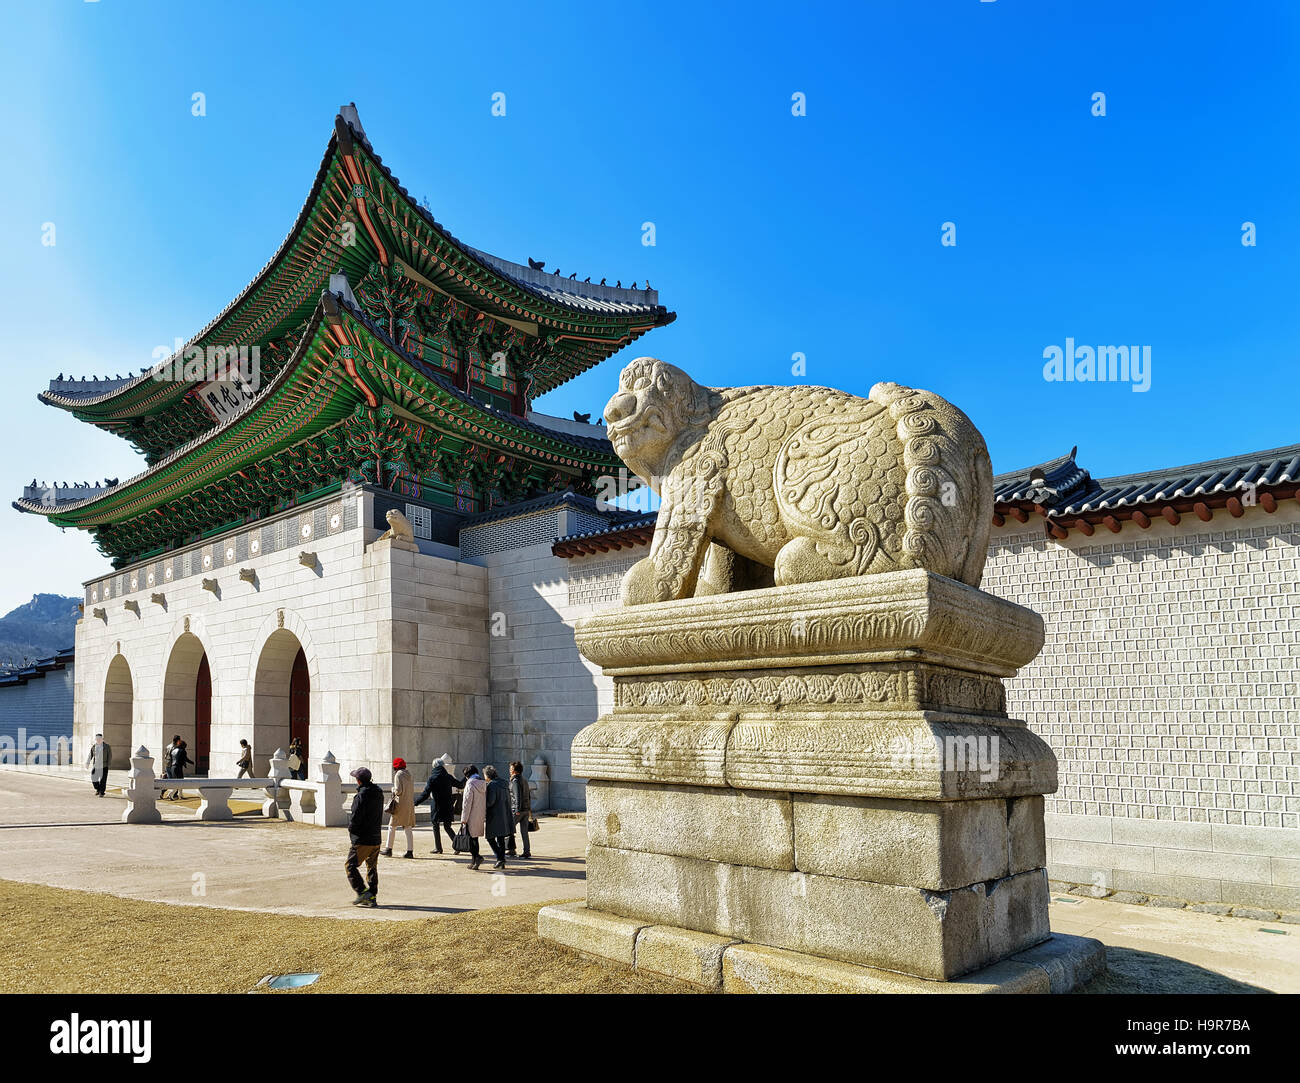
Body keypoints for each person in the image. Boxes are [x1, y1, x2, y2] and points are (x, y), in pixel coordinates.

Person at [345, 766, 383, 907]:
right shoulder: (378, 793)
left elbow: (355, 818)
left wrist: (352, 831)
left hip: (363, 838)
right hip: (376, 837)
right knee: (372, 867)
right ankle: (372, 895)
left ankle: (362, 892)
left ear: (359, 781)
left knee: (350, 866)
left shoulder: (361, 796)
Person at [413, 753, 461, 854]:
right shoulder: (448, 777)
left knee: (436, 826)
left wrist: (415, 803)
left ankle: (438, 848)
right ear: (443, 766)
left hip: (437, 806)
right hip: (448, 805)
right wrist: (467, 776)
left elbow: (425, 794)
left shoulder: (432, 778)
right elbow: (460, 785)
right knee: (448, 827)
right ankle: (457, 846)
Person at [380, 757, 415, 858]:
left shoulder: (398, 775)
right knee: (407, 827)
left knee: (392, 826)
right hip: (409, 804)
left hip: (400, 805)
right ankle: (410, 851)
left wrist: (392, 789)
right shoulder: (409, 774)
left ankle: (388, 849)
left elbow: (398, 791)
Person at [483, 765, 512, 870]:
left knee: (490, 838)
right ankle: (501, 860)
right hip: (504, 814)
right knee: (501, 839)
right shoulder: (504, 783)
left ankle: (500, 858)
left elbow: (490, 802)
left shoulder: (492, 785)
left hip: (494, 815)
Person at [458, 765, 486, 870]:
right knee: (475, 839)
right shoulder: (483, 783)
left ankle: (477, 858)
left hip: (470, 815)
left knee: (470, 840)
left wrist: (463, 819)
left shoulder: (470, 784)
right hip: (479, 814)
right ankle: (474, 861)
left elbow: (466, 803)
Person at [507, 760, 533, 859]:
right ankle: (527, 851)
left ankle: (511, 849)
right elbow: (528, 796)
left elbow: (517, 796)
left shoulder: (515, 781)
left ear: (515, 771)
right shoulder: (524, 780)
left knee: (509, 829)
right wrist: (529, 809)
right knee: (524, 832)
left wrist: (517, 809)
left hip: (517, 810)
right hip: (526, 809)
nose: (510, 771)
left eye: (511, 769)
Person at [159, 735, 181, 799]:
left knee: (169, 780)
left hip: (167, 764)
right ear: (178, 740)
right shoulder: (175, 748)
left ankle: (163, 792)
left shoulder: (168, 746)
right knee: (174, 781)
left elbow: (165, 756)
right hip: (172, 765)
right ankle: (174, 794)